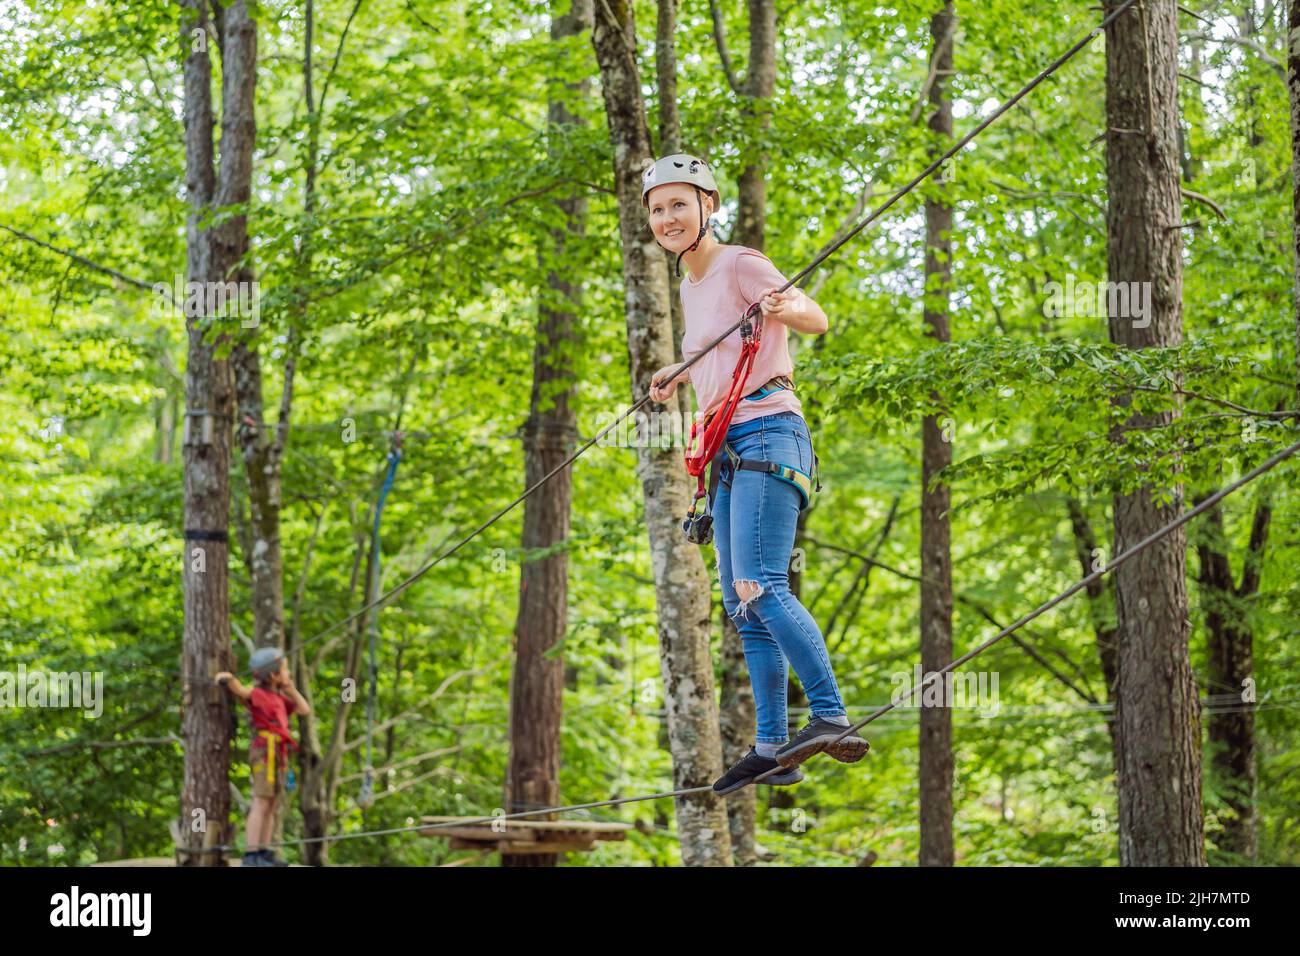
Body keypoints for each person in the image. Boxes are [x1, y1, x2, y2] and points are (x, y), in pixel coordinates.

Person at [642, 153, 869, 796]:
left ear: (708, 206)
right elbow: (721, 357)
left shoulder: (741, 263)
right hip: (726, 448)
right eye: (658, 210)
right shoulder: (689, 284)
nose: (668, 218)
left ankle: (828, 716)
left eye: (680, 204)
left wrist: (785, 303)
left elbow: (814, 318)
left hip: (769, 431)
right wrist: (677, 374)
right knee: (742, 605)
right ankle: (773, 746)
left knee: (760, 583)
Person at [216, 647, 311, 866]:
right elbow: (240, 690)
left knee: (272, 803)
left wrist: (291, 688)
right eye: (285, 670)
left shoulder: (280, 698)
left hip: (278, 753)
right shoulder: (258, 694)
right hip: (264, 752)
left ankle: (264, 851)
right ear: (273, 675)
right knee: (260, 801)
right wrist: (227, 677)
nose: (288, 674)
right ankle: (251, 855)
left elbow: (304, 709)